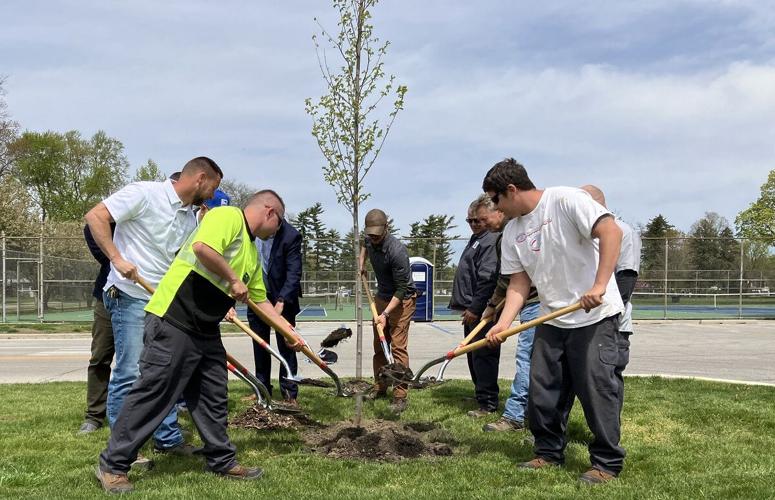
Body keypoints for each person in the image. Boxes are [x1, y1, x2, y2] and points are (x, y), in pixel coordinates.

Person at [96, 190, 292, 494]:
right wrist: (233, 279)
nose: (276, 231)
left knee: (213, 394)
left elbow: (260, 301)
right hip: (175, 318)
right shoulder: (227, 217)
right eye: (278, 223)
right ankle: (113, 463)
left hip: (205, 328)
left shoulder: (251, 255)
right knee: (156, 392)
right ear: (270, 212)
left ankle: (221, 459)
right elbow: (203, 248)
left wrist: (291, 335)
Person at [482, 158, 625, 485]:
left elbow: (610, 231)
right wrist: (503, 323)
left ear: (512, 190)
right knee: (543, 392)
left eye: (496, 199)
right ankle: (547, 452)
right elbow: (519, 284)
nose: (495, 207)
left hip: (595, 316)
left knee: (596, 391)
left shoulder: (566, 200)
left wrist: (599, 285)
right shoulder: (513, 233)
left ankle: (606, 463)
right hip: (552, 317)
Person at [84, 157, 223, 456]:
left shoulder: (190, 217)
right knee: (130, 371)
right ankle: (122, 452)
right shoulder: (144, 194)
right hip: (129, 294)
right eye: (213, 187)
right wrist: (117, 259)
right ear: (200, 178)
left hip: (162, 302)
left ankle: (168, 440)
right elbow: (95, 216)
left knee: (163, 371)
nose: (212, 195)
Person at [477, 200, 541, 433]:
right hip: (528, 302)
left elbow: (509, 279)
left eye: (485, 218)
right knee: (533, 361)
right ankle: (533, 416)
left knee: (526, 359)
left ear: (500, 211)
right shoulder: (510, 233)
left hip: (536, 303)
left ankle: (515, 416)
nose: (482, 224)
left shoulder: (512, 234)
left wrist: (493, 304)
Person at [359, 208, 417, 414]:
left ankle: (400, 395)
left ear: (386, 228)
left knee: (397, 347)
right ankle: (380, 386)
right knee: (380, 346)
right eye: (370, 234)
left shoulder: (397, 250)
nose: (373, 238)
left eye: (377, 234)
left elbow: (402, 289)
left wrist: (384, 315)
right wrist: (361, 262)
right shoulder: (369, 239)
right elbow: (363, 244)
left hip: (402, 300)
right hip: (381, 297)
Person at [449, 195, 499, 416]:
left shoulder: (490, 241)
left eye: (478, 220)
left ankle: (488, 403)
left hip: (481, 312)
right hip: (471, 310)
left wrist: (476, 308)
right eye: (470, 220)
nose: (474, 224)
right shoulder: (476, 239)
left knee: (483, 356)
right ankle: (481, 394)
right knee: (473, 356)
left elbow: (487, 279)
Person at [245, 216, 302, 405]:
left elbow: (294, 273)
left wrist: (282, 300)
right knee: (260, 345)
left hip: (282, 300)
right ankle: (262, 388)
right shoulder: (252, 231)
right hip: (257, 299)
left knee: (287, 346)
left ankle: (289, 392)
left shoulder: (291, 236)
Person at [78, 223, 116, 434]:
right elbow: (91, 225)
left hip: (144, 295)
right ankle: (94, 416)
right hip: (107, 295)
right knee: (100, 356)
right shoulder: (119, 212)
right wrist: (111, 258)